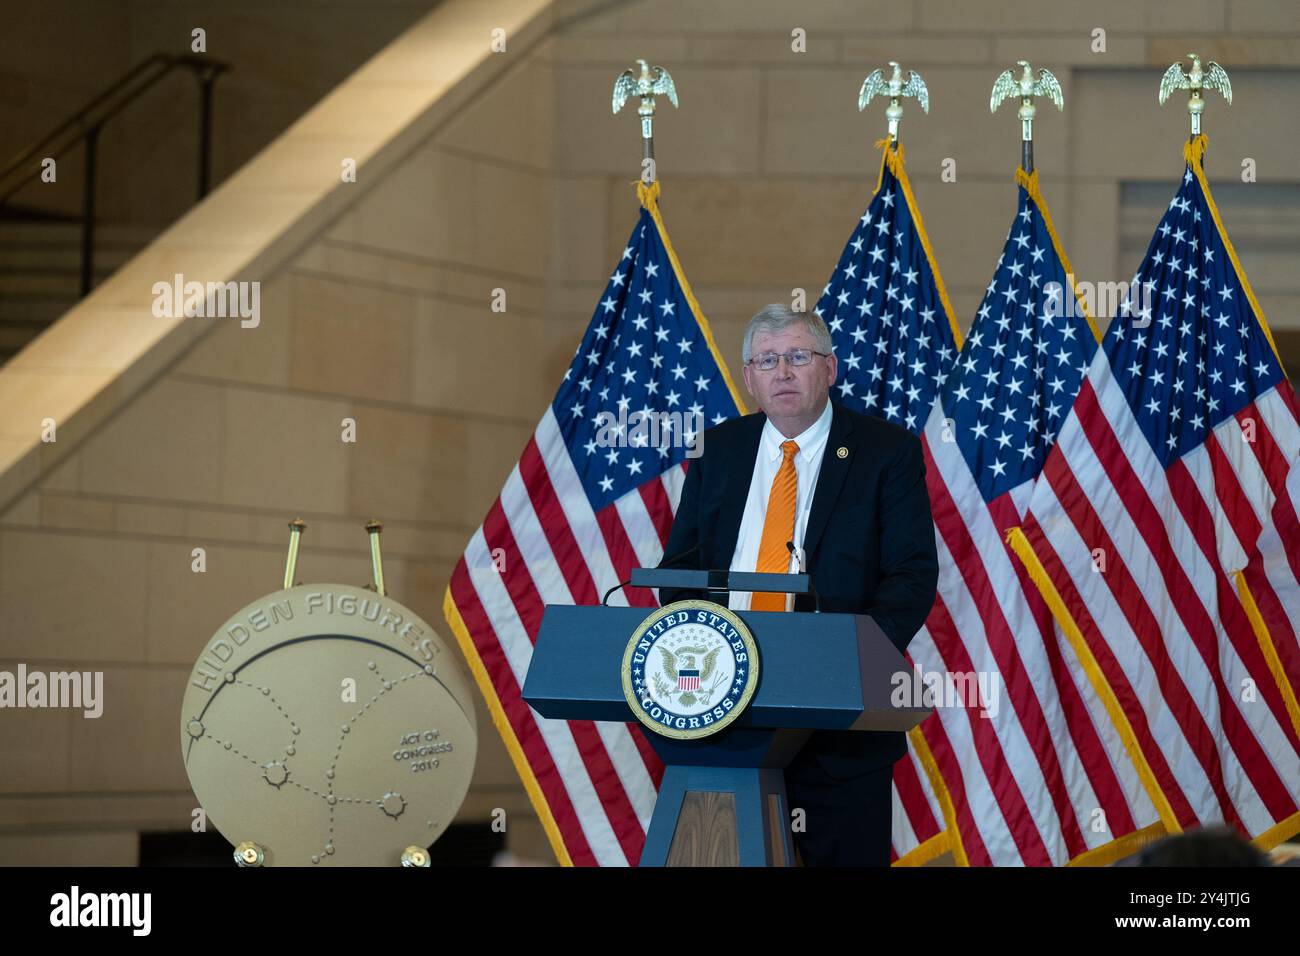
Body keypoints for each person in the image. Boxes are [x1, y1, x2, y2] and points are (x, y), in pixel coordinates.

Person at [658, 303, 939, 866]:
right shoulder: (719, 450)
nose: (782, 372)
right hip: (722, 716)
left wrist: (845, 657)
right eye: (767, 360)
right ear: (749, 378)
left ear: (829, 369)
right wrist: (703, 652)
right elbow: (678, 573)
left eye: (797, 357)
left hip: (838, 724)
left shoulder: (886, 453)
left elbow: (911, 574)